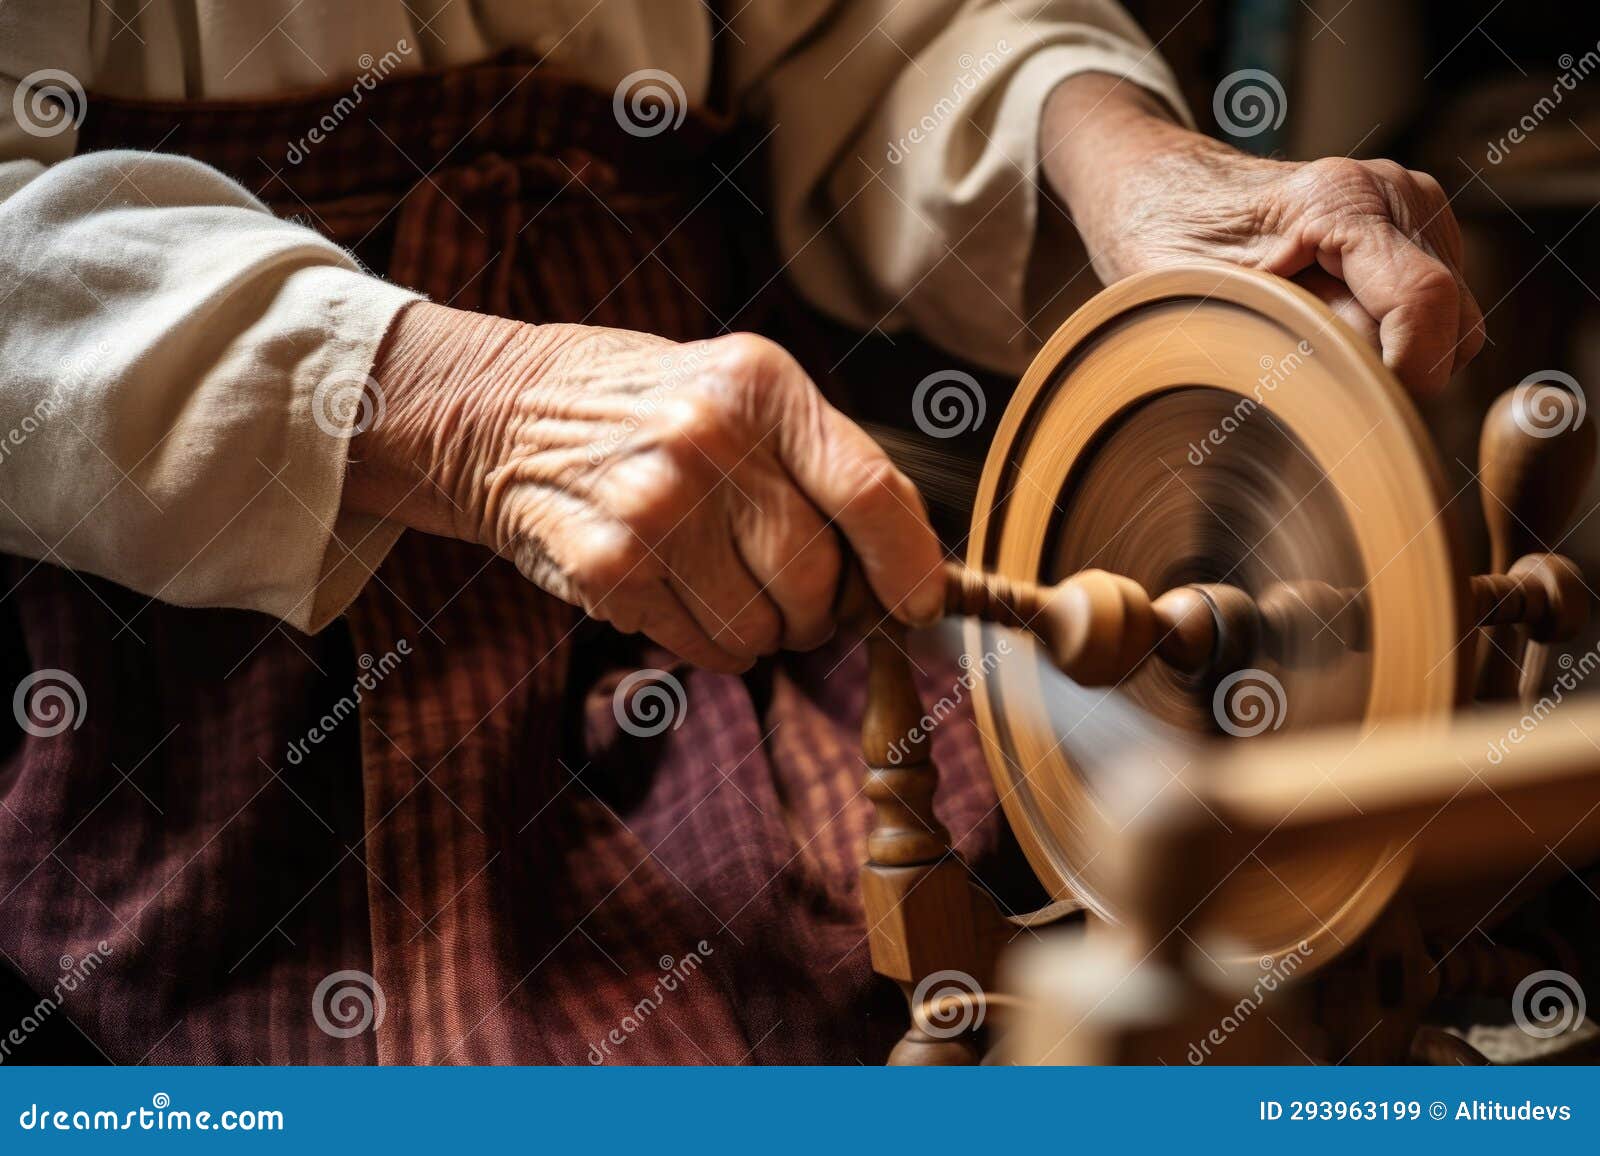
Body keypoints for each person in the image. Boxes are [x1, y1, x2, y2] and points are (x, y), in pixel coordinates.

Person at [0, 2, 1482, 1065]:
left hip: (747, 581)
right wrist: (453, 400)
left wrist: (1117, 161)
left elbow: (860, 28)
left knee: (1115, 928)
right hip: (228, 692)